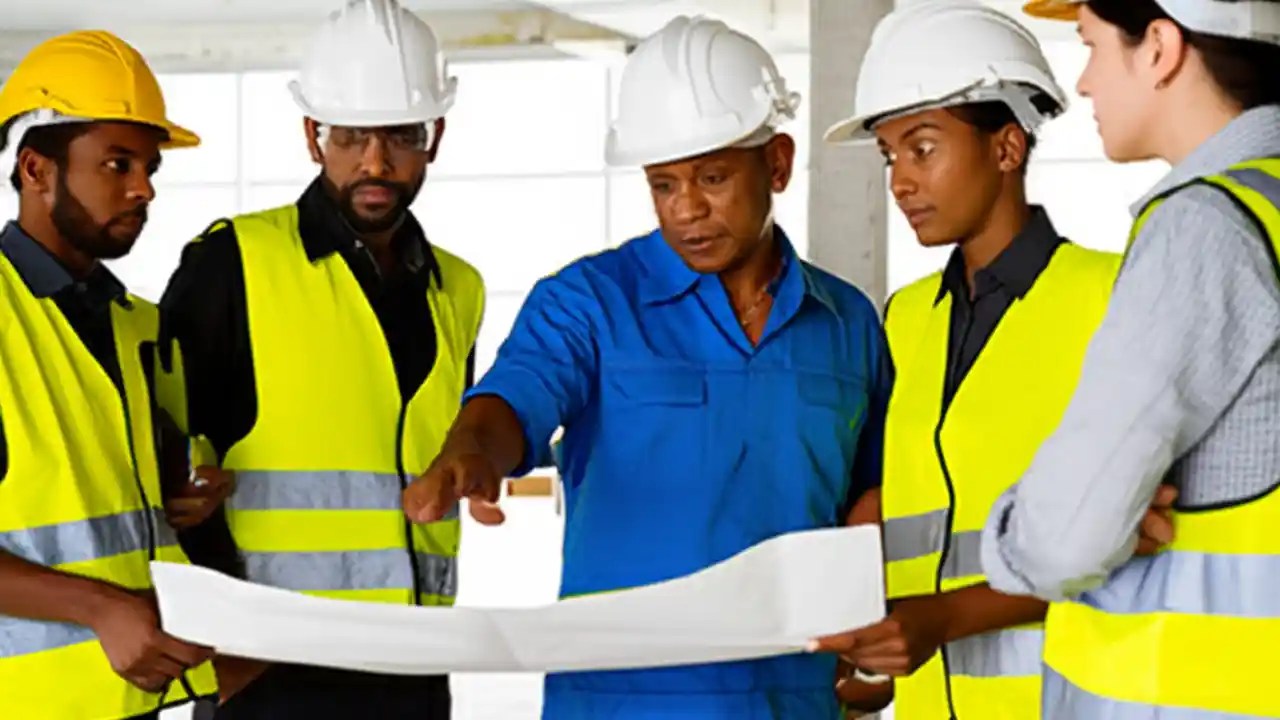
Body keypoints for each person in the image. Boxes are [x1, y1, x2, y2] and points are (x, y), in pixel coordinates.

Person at [403, 14, 891, 719]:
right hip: (617, 699)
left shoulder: (847, 322)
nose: (687, 209)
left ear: (778, 164)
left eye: (713, 178)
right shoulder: (588, 301)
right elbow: (515, 397)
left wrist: (870, 638)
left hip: (791, 699)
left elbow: (869, 495)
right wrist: (471, 452)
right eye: (664, 185)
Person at [156, 0, 483, 717]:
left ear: (435, 137)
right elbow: (162, 458)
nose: (376, 161)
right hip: (271, 671)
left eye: (402, 134)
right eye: (351, 135)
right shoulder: (234, 263)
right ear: (313, 136)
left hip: (415, 665)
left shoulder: (458, 287)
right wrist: (222, 646)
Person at [806, 3, 1130, 717]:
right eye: (890, 156)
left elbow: (1134, 534)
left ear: (1007, 148)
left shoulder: (1115, 297)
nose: (900, 182)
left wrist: (943, 618)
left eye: (922, 149)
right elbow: (901, 506)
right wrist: (871, 650)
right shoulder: (905, 318)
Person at [978, 0, 1280, 718]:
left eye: (1091, 45)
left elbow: (1065, 540)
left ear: (1160, 48)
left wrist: (1019, 531)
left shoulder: (1204, 229)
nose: (1084, 82)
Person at [0, 29, 223, 719]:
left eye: (150, 167)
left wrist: (187, 488)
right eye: (117, 164)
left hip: (130, 697)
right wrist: (98, 607)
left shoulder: (136, 325)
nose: (143, 188)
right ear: (36, 171)